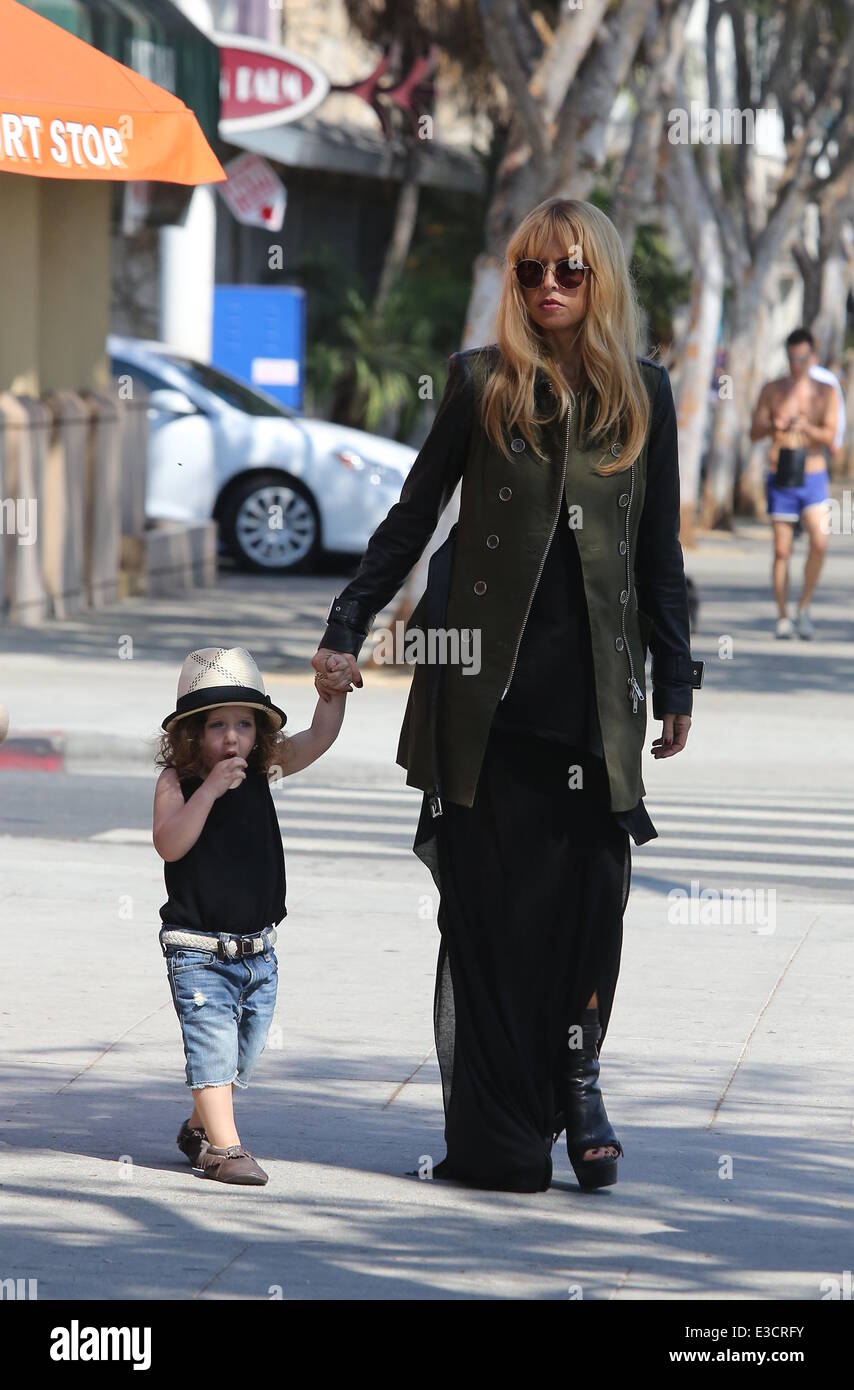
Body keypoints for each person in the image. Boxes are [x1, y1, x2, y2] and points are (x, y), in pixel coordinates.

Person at [313, 196, 703, 1194]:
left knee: (589, 908)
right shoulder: (481, 385)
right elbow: (410, 516)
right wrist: (345, 626)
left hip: (593, 710)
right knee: (486, 923)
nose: (546, 289)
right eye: (530, 273)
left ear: (598, 280)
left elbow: (658, 556)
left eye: (567, 271)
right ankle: (498, 1134)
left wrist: (675, 674)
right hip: (483, 708)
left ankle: (577, 1077)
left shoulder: (644, 397)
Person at [153, 645, 348, 1185]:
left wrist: (331, 695)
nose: (233, 737)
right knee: (212, 1046)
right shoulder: (178, 782)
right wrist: (210, 791)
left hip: (258, 951)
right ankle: (226, 1148)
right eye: (218, 725)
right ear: (191, 733)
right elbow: (170, 844)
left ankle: (198, 1130)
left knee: (243, 1057)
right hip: (197, 950)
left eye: (245, 723)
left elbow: (318, 739)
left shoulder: (265, 767)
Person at [750, 327, 838, 639]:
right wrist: (774, 425)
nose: (796, 365)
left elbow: (830, 436)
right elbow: (754, 432)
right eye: (791, 359)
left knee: (820, 541)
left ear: (812, 357)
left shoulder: (825, 392)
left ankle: (804, 606)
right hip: (781, 473)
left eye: (802, 358)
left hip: (813, 474)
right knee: (783, 550)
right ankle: (783, 616)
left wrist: (808, 429)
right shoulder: (772, 389)